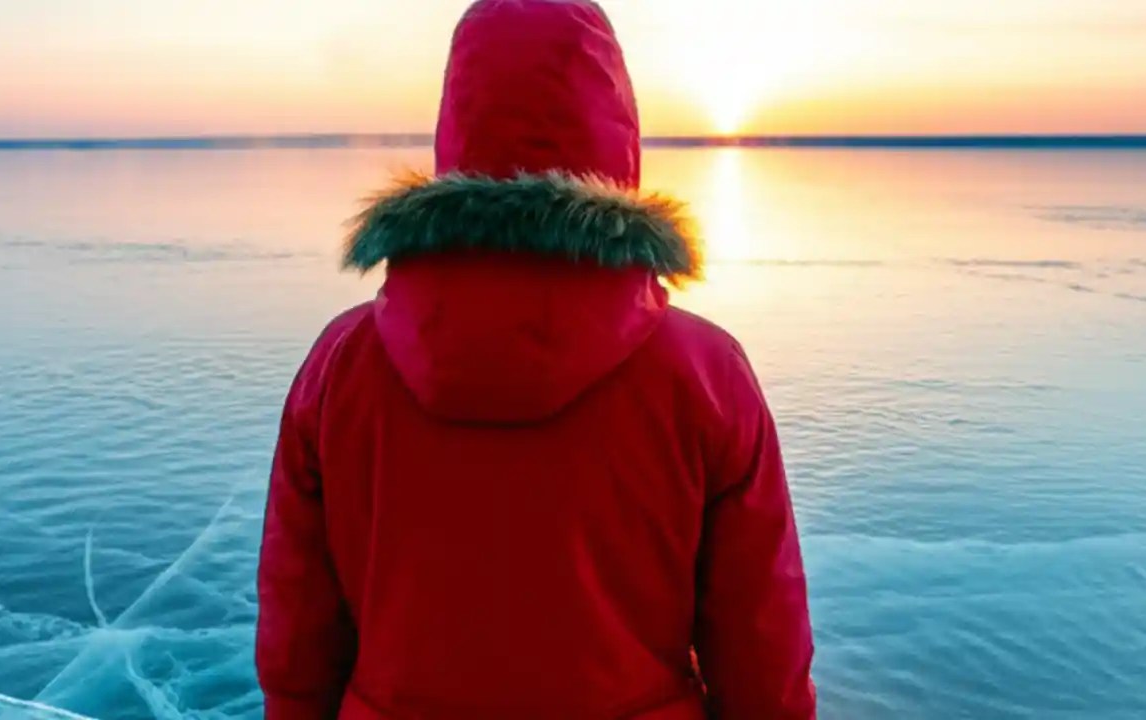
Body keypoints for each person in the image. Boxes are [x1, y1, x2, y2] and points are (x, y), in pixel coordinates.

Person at [256, 0, 815, 717]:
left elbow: (296, 637)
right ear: (619, 131)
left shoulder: (341, 368)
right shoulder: (704, 373)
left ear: (453, 125)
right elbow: (761, 645)